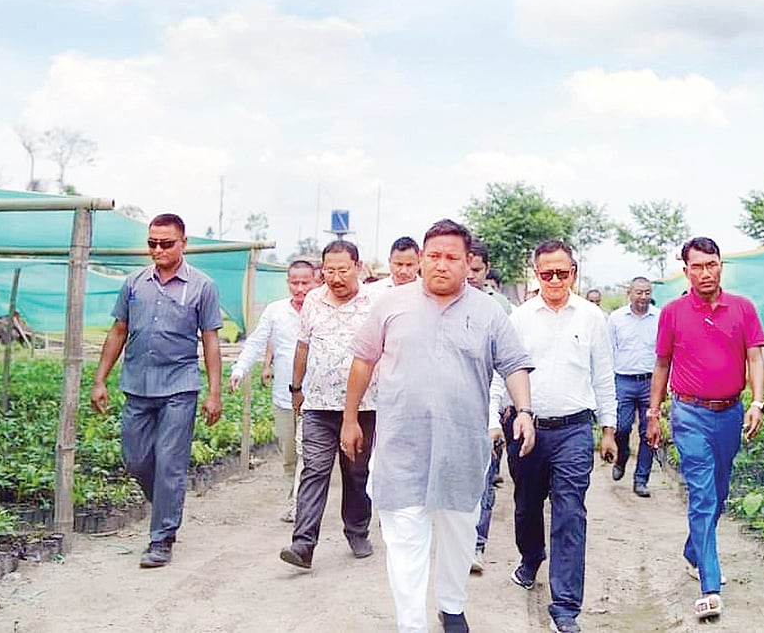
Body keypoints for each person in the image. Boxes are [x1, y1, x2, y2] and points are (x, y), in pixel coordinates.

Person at [342, 219, 536, 633]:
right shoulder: (391, 304)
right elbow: (363, 361)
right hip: (402, 447)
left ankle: (451, 606)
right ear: (422, 259)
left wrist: (523, 410)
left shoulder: (489, 311)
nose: (441, 265)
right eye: (434, 256)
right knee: (404, 541)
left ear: (469, 263)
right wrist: (351, 418)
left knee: (458, 534)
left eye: (451, 258)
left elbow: (514, 365)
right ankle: (411, 625)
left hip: (461, 448)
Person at [90, 213, 224, 568]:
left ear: (183, 243)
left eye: (166, 243)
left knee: (170, 463)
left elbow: (210, 340)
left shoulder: (202, 286)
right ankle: (167, 505)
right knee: (135, 459)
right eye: (152, 243)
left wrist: (215, 392)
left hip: (180, 386)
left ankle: (161, 538)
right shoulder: (134, 283)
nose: (158, 250)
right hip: (137, 384)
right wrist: (100, 379)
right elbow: (118, 331)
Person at [647, 236, 764, 622]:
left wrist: (758, 402)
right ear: (686, 271)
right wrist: (654, 412)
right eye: (697, 266)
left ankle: (692, 552)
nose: (705, 273)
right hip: (689, 414)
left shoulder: (743, 309)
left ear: (721, 266)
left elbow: (755, 357)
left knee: (719, 490)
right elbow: (663, 364)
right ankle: (710, 586)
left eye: (711, 264)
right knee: (702, 494)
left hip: (730, 414)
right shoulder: (673, 312)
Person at [501, 240, 617, 633]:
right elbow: (503, 374)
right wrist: (496, 420)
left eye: (561, 273)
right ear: (536, 274)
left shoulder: (591, 318)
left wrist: (609, 428)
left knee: (570, 513)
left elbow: (603, 376)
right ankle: (531, 556)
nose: (553, 280)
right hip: (528, 430)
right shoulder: (519, 319)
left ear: (574, 274)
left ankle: (566, 607)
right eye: (546, 273)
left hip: (574, 430)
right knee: (526, 505)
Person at [280, 240, 379, 569]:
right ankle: (303, 544)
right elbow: (303, 346)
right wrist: (296, 387)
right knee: (314, 471)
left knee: (356, 472)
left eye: (343, 270)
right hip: (319, 405)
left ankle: (357, 530)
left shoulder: (374, 301)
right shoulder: (312, 300)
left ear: (358, 267)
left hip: (363, 407)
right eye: (330, 270)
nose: (336, 278)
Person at [228, 259, 318, 522]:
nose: (300, 288)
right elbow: (256, 342)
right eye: (295, 282)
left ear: (316, 281)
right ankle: (294, 497)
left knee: (307, 454)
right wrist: (239, 369)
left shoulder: (323, 310)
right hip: (284, 397)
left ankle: (301, 507)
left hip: (316, 398)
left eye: (306, 282)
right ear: (288, 282)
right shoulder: (276, 311)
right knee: (289, 453)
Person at [464, 239, 511, 575]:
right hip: (451, 408)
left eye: (477, 270)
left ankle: (476, 544)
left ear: (486, 270)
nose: (469, 276)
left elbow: (509, 363)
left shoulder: (501, 310)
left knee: (485, 476)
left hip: (490, 406)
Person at [607, 277, 659, 498]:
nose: (643, 297)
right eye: (639, 292)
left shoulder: (660, 317)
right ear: (630, 293)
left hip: (650, 381)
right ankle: (622, 455)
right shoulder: (616, 318)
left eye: (647, 292)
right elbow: (609, 350)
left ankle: (641, 480)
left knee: (648, 432)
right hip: (623, 380)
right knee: (621, 426)